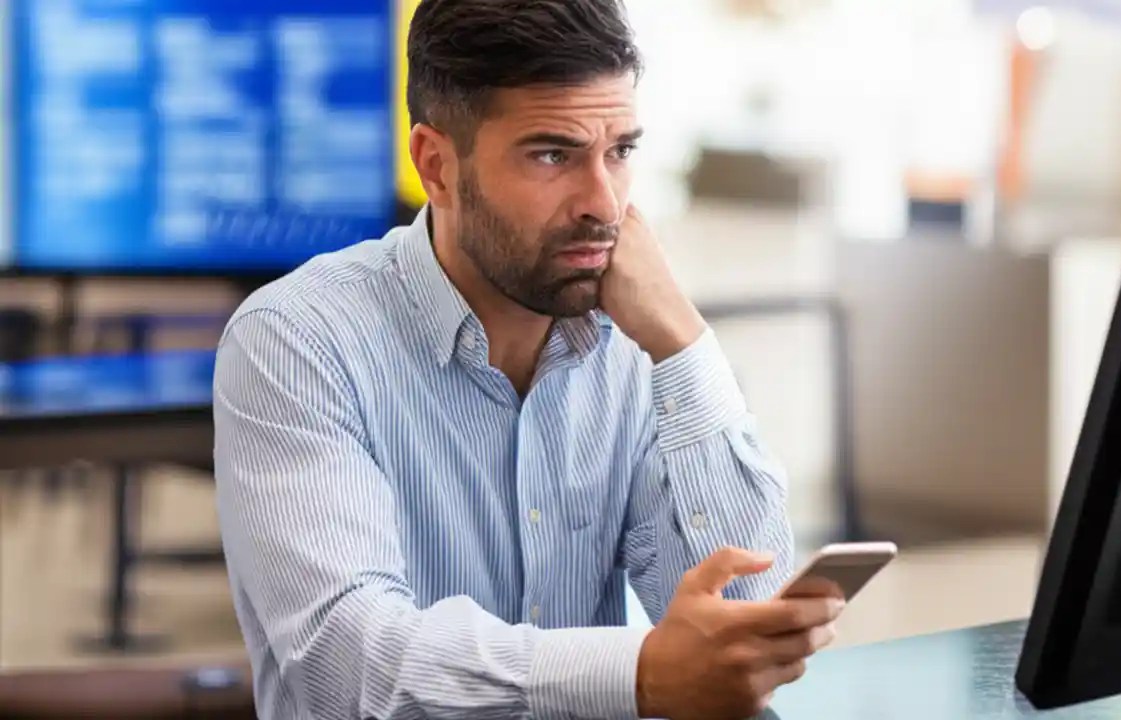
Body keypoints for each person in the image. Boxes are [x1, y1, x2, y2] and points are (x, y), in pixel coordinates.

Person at [213, 1, 842, 718]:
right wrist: (635, 674)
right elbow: (351, 663)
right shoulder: (296, 339)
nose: (602, 203)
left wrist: (682, 342)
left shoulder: (632, 344)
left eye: (621, 151)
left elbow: (741, 619)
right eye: (553, 154)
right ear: (436, 166)